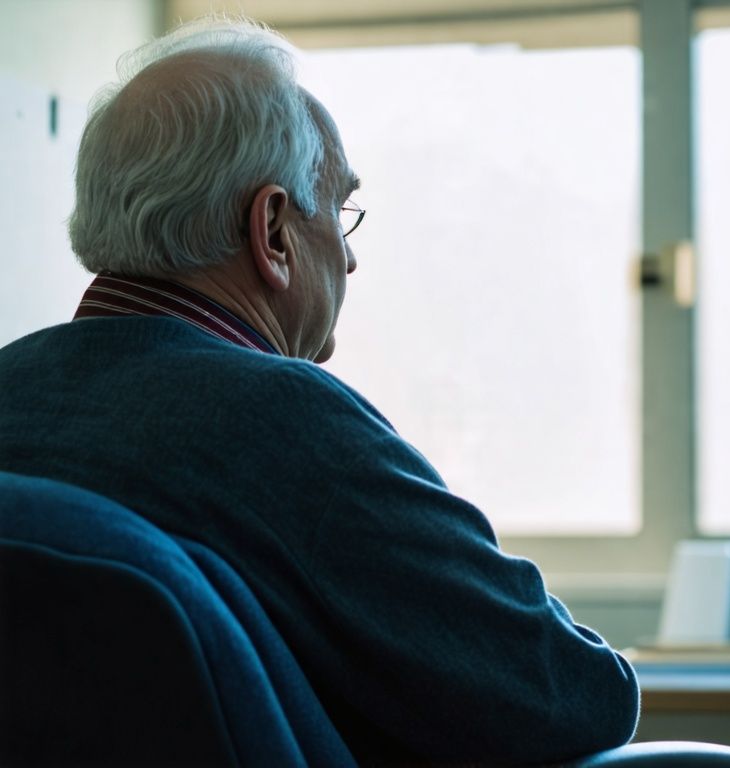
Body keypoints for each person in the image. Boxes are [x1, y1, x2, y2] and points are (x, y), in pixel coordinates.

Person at [0, 17, 639, 765]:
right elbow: (570, 694)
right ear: (272, 231)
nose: (350, 258)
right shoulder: (284, 422)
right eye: (338, 211)